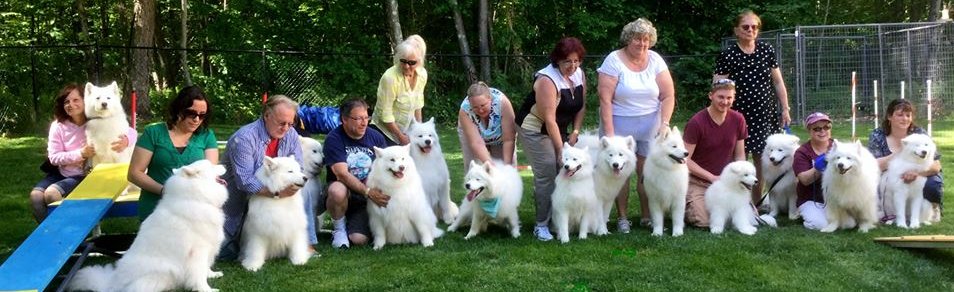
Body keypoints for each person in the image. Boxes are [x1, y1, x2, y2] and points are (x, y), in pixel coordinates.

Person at [596, 18, 676, 232]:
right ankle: (622, 217)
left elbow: (668, 95)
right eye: (637, 39)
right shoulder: (613, 60)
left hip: (651, 125)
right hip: (619, 124)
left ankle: (646, 215)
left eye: (646, 39)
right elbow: (605, 99)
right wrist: (611, 135)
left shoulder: (656, 60)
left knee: (647, 173)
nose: (642, 44)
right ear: (628, 39)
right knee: (619, 173)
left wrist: (665, 123)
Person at [713, 10, 791, 204]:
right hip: (737, 116)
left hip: (764, 116)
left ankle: (756, 204)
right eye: (746, 27)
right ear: (737, 31)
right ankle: (734, 201)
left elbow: (778, 83)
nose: (750, 30)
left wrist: (786, 108)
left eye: (754, 27)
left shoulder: (766, 50)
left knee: (762, 161)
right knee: (737, 162)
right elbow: (717, 86)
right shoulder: (728, 55)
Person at [516, 37, 587, 241]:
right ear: (557, 60)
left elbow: (581, 105)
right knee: (548, 170)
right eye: (567, 62)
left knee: (568, 172)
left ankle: (561, 219)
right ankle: (541, 225)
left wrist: (575, 131)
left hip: (561, 127)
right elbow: (549, 119)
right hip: (535, 128)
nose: (573, 66)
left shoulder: (579, 74)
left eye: (576, 61)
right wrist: (561, 151)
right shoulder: (546, 80)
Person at [30, 83, 135, 222]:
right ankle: (51, 233)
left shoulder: (97, 119)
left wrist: (127, 139)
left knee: (51, 194)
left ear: (85, 100)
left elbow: (129, 130)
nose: (70, 105)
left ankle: (69, 232)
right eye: (66, 101)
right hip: (61, 172)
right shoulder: (58, 126)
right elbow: (54, 157)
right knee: (36, 196)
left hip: (81, 174)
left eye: (75, 100)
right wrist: (81, 153)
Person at [219, 95, 303, 260]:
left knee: (303, 191)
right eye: (281, 123)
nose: (286, 128)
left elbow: (299, 167)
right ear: (266, 115)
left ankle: (299, 242)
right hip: (239, 204)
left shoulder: (291, 134)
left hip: (274, 203)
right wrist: (278, 193)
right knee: (225, 253)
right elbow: (245, 181)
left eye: (290, 123)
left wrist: (292, 187)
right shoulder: (244, 138)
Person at [128, 86, 218, 221]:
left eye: (202, 115)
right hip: (156, 209)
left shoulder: (207, 136)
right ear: (179, 109)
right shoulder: (153, 133)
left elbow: (210, 172)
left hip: (194, 211)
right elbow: (134, 173)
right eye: (191, 113)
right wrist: (165, 190)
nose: (197, 119)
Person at [320, 98, 389, 249]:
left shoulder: (376, 137)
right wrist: (368, 192)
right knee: (337, 190)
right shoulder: (334, 139)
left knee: (358, 240)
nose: (364, 123)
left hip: (367, 198)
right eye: (358, 118)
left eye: (366, 118)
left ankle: (360, 226)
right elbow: (342, 174)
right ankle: (339, 229)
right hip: (346, 193)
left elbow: (386, 168)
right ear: (344, 119)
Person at [682, 79, 748, 228]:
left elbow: (740, 156)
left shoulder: (738, 120)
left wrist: (740, 178)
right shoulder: (696, 122)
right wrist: (711, 177)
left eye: (729, 97)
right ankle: (687, 205)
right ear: (711, 96)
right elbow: (685, 160)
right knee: (704, 221)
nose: (725, 102)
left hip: (727, 180)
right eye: (721, 97)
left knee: (748, 218)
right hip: (697, 180)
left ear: (734, 98)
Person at [868, 99, 943, 222]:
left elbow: (936, 166)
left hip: (921, 172)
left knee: (932, 184)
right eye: (900, 115)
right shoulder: (878, 135)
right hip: (889, 174)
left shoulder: (919, 133)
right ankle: (889, 214)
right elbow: (873, 166)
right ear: (889, 117)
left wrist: (916, 173)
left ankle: (932, 208)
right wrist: (901, 152)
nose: (905, 119)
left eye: (908, 115)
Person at [370, 35, 427, 146]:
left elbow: (418, 104)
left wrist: (419, 131)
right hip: (384, 132)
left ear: (419, 61)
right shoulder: (389, 78)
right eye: (403, 61)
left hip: (405, 131)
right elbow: (385, 114)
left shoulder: (422, 74)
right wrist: (401, 137)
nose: (406, 66)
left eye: (411, 63)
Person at [458, 81, 517, 166]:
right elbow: (476, 142)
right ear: (470, 104)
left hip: (500, 137)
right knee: (474, 167)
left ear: (490, 98)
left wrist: (507, 167)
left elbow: (508, 139)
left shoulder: (503, 103)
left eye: (483, 105)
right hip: (474, 137)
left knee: (506, 166)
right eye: (475, 107)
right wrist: (490, 165)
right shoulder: (464, 110)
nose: (480, 110)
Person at [792, 112, 833, 230]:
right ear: (809, 131)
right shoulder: (802, 152)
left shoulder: (837, 147)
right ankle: (806, 214)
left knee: (849, 222)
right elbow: (804, 180)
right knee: (820, 224)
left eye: (826, 127)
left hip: (835, 197)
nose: (823, 131)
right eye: (817, 129)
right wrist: (818, 167)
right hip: (811, 199)